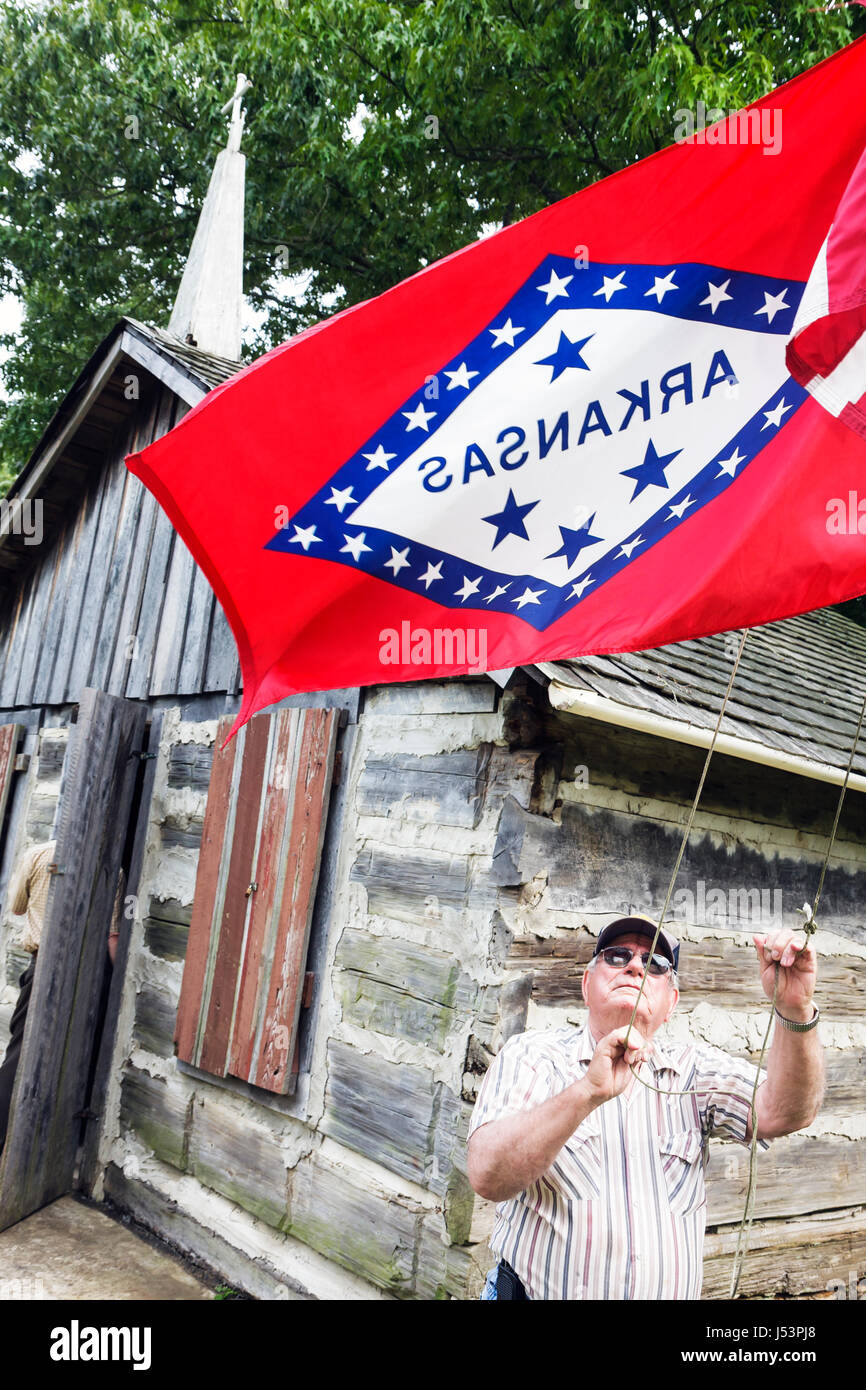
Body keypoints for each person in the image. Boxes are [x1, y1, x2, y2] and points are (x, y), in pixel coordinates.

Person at [467, 914, 823, 1300]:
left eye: (655, 964)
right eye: (617, 956)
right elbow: (487, 1176)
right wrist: (586, 1091)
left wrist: (795, 1008)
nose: (635, 966)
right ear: (587, 985)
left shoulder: (693, 1070)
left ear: (671, 1002)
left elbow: (785, 1111)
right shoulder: (534, 1055)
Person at [0, 839, 56, 1152]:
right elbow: (112, 936)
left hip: (41, 964)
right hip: (85, 971)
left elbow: (17, 907)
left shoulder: (36, 854)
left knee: (19, 1051)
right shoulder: (112, 870)